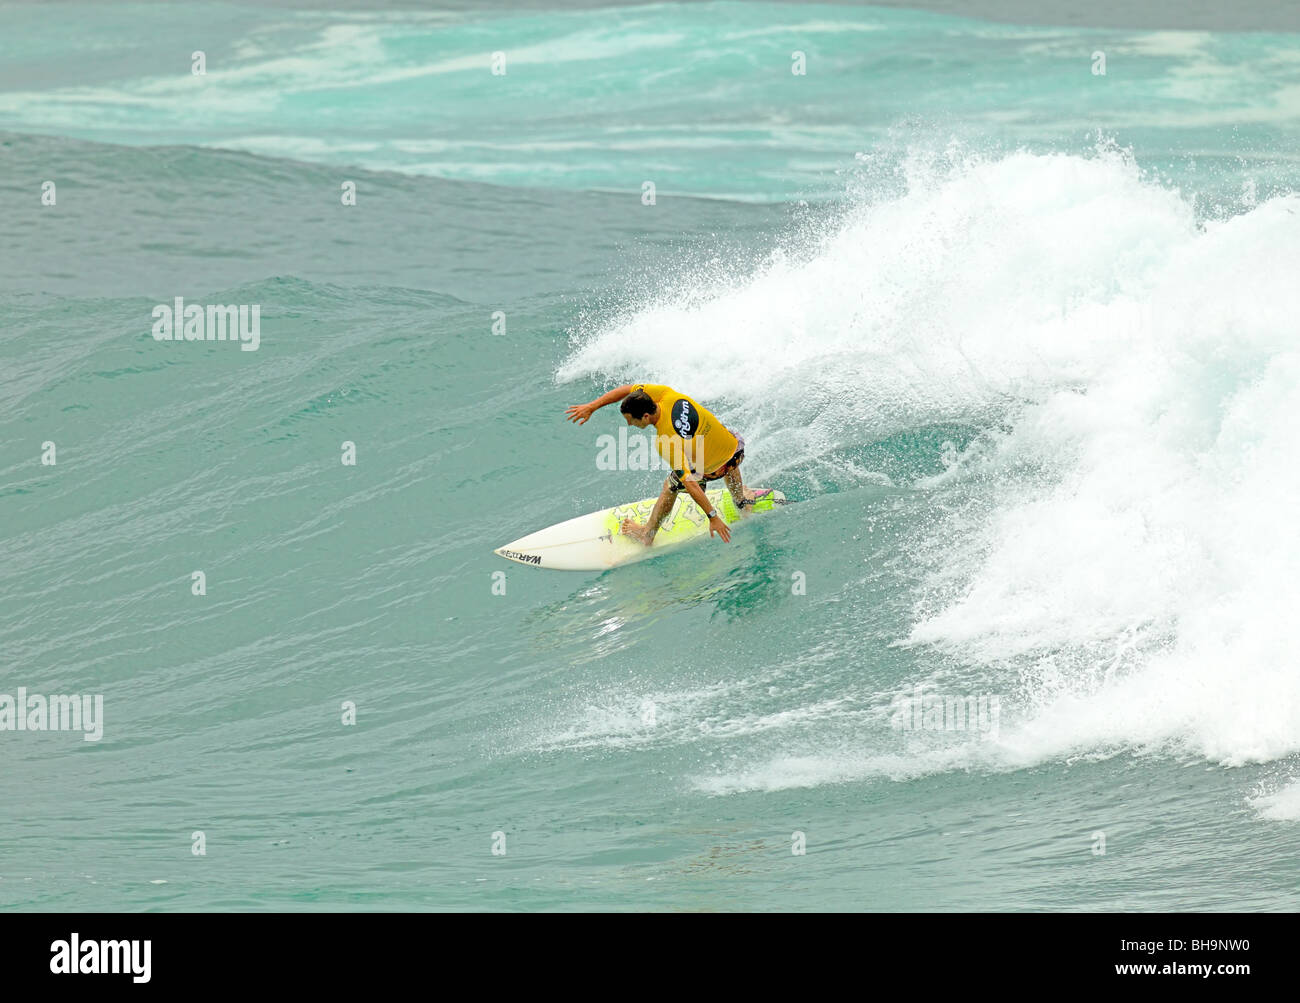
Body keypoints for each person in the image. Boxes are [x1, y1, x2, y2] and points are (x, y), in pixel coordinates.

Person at [565, 383, 757, 546]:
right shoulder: (665, 394)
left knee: (672, 484)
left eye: (630, 420)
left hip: (715, 470)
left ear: (646, 416)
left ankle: (646, 534)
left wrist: (713, 517)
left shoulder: (665, 440)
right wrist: (593, 406)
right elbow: (627, 390)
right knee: (714, 435)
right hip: (737, 452)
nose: (630, 425)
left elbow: (690, 482)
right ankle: (741, 500)